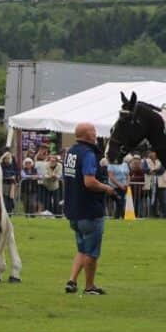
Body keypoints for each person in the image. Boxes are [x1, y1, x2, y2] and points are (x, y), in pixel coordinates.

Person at [63, 122, 114, 295]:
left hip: (73, 210)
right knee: (91, 252)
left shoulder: (70, 152)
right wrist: (107, 188)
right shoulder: (88, 154)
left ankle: (71, 281)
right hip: (89, 210)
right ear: (87, 135)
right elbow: (89, 181)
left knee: (82, 249)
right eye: (93, 131)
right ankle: (89, 287)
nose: (96, 134)